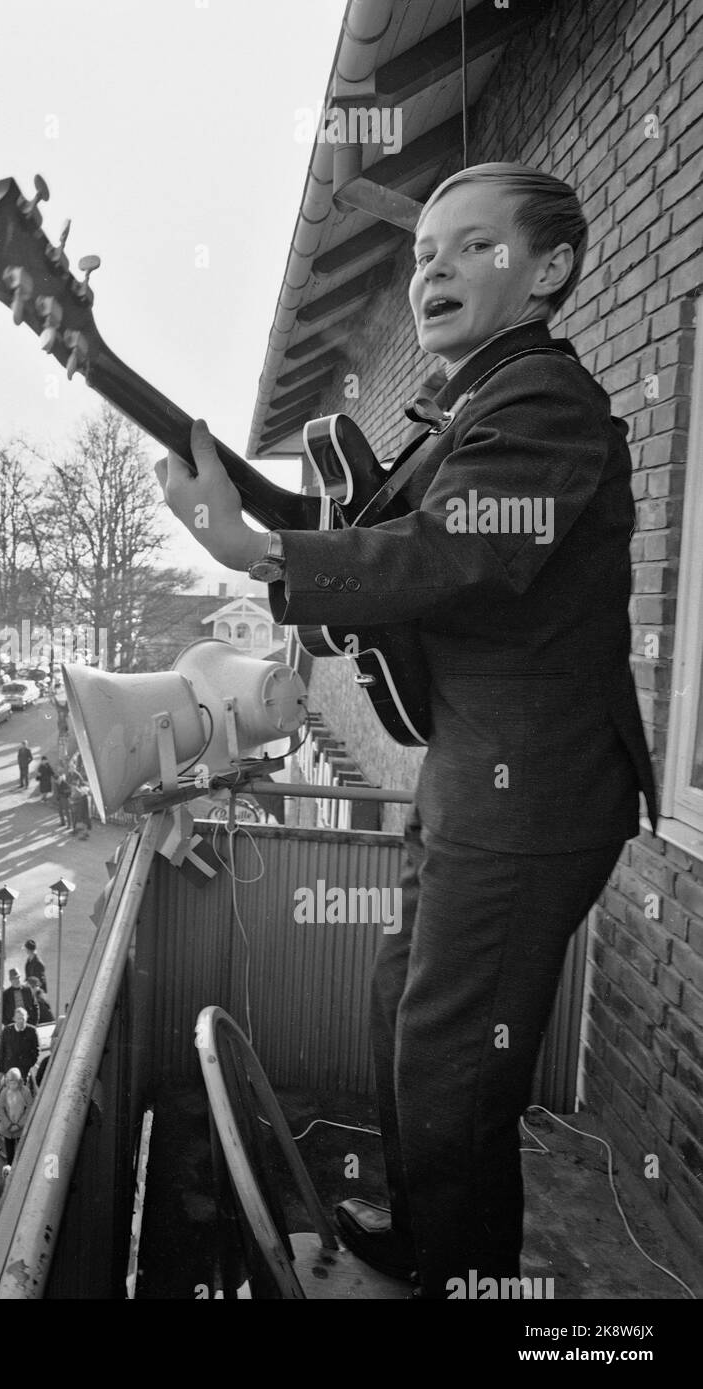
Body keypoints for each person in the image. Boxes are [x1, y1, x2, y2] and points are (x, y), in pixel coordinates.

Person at [154, 163, 659, 1299]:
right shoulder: (469, 411)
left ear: (547, 271)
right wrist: (255, 524)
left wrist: (262, 555)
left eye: (468, 247)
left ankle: (459, 1281)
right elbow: (376, 538)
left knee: (452, 1059)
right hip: (472, 778)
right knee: (402, 1004)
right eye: (422, 250)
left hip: (532, 793)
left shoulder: (542, 402)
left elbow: (453, 552)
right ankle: (425, 1234)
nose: (429, 266)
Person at [0, 1068, 32, 1166]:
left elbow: (29, 1108)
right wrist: (8, 1125)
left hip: (21, 1128)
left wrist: (19, 1125)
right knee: (10, 1152)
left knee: (23, 1151)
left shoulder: (25, 1092)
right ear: (7, 1082)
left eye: (14, 1082)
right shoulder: (4, 1093)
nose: (12, 1085)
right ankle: (10, 1168)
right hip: (8, 1130)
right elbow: (1, 1109)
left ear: (19, 1082)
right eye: (10, 1082)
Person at [0, 1008, 39, 1083]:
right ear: (14, 1019)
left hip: (25, 1068)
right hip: (10, 1067)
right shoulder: (7, 1031)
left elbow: (36, 1050)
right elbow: (2, 1051)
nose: (21, 1021)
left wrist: (30, 1063)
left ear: (26, 1018)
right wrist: (1, 1070)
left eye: (22, 1018)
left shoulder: (32, 1031)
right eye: (18, 1018)